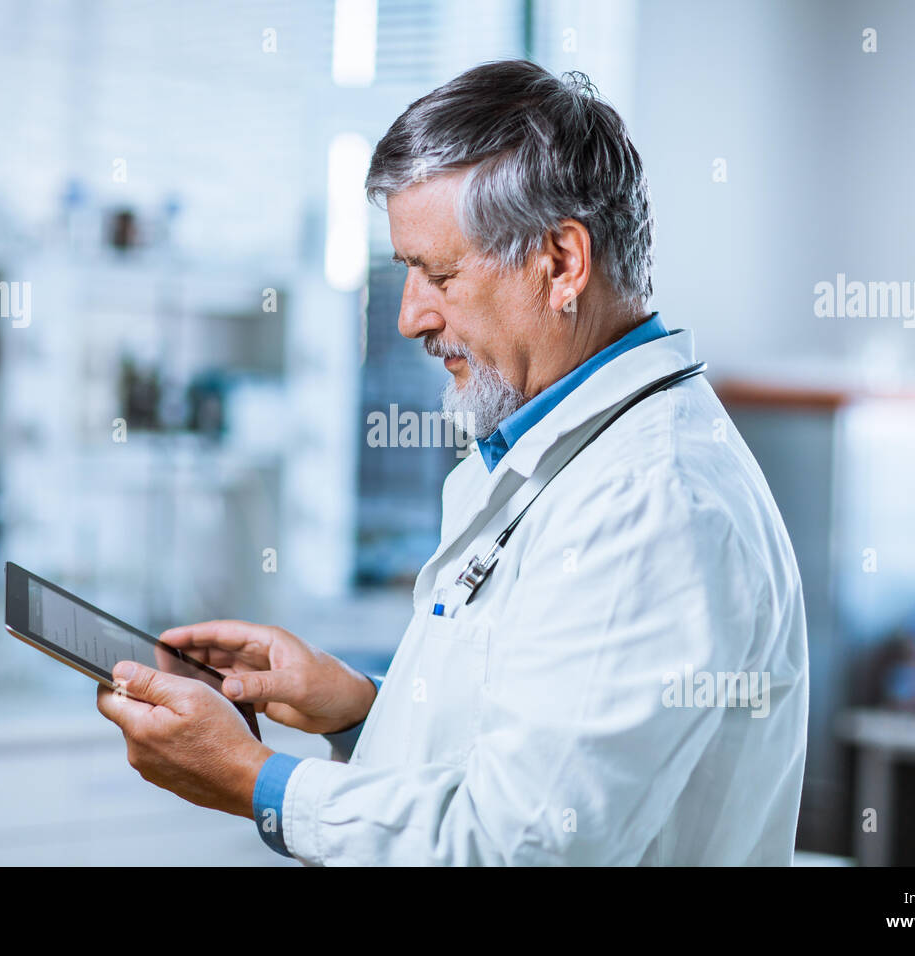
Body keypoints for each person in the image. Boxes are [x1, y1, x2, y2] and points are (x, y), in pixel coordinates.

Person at [97, 59, 808, 866]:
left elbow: (521, 845)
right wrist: (357, 710)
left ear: (563, 263)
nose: (409, 317)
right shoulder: (555, 455)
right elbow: (526, 756)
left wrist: (254, 780)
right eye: (404, 272)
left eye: (438, 274)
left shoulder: (651, 502)